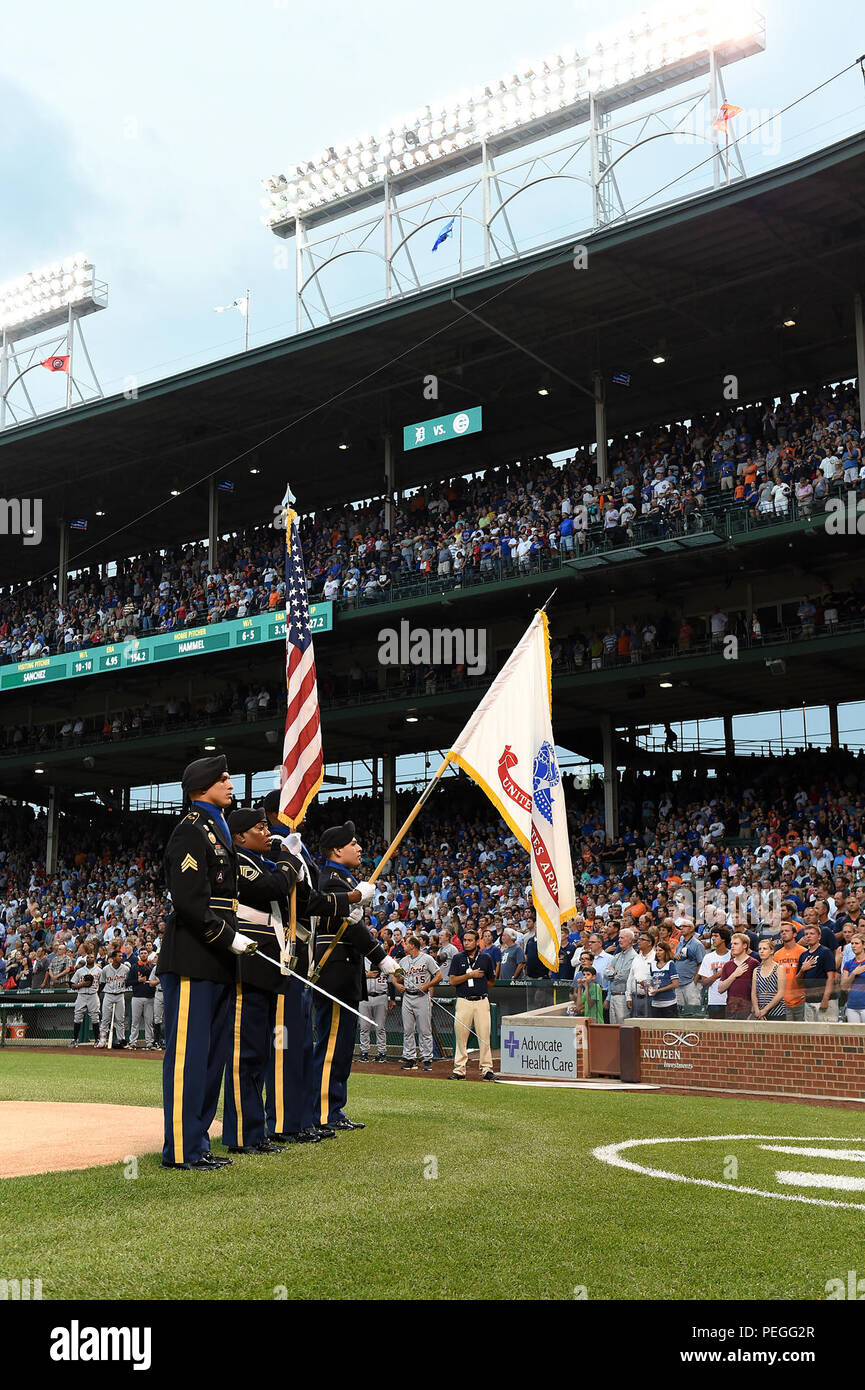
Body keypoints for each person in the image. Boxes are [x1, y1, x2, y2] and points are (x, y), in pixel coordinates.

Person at [228, 807, 371, 1150]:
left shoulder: (288, 855)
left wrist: (351, 898)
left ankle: (298, 1118)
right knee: (277, 1048)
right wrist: (289, 862)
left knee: (298, 1046)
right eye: (299, 807)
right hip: (269, 960)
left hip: (294, 960)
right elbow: (274, 889)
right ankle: (281, 1121)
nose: (305, 814)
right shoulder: (269, 856)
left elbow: (309, 902)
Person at [157, 754, 259, 1173]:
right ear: (202, 787)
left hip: (217, 957)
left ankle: (197, 1142)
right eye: (223, 778)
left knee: (212, 1056)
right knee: (189, 1055)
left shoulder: (217, 830)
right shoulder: (190, 831)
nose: (231, 783)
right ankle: (180, 1148)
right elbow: (188, 900)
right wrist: (226, 935)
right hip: (194, 955)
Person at [312, 821, 397, 1130]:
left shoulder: (343, 880)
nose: (360, 848)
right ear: (337, 850)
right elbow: (355, 930)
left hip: (346, 971)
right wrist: (382, 957)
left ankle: (333, 1109)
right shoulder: (331, 881)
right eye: (353, 844)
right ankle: (322, 1111)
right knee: (332, 1044)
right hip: (335, 971)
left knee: (342, 1045)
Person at [448, 926, 497, 1081]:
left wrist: (479, 983)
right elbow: (452, 981)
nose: (466, 943)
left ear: (477, 942)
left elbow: (491, 981)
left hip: (482, 1000)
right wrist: (470, 975)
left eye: (470, 940)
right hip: (463, 1001)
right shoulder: (457, 958)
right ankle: (459, 1069)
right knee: (461, 1036)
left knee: (484, 1036)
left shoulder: (486, 958)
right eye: (465, 940)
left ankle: (486, 1069)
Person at [394, 934, 442, 1072]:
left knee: (424, 1029)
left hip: (422, 996)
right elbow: (395, 978)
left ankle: (427, 1059)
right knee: (408, 1030)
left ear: (413, 945)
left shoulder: (427, 958)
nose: (404, 946)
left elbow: (439, 976)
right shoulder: (403, 961)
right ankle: (410, 1058)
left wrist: (427, 986)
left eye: (406, 943)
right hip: (407, 996)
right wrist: (397, 985)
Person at [796, 923, 839, 1022]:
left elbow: (831, 977)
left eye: (812, 933)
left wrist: (825, 999)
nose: (808, 936)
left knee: (826, 1033)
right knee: (810, 1033)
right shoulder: (803, 955)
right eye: (806, 934)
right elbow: (798, 981)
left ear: (819, 936)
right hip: (809, 1000)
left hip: (825, 1000)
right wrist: (802, 970)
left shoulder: (825, 952)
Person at [717, 932, 758, 1019]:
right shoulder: (727, 965)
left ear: (744, 946)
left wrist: (753, 1010)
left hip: (747, 1010)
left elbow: (758, 989)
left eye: (736, 944)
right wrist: (734, 975)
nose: (732, 946)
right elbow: (720, 989)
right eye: (731, 944)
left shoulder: (754, 963)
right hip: (730, 1009)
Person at [358, 954, 390, 1064]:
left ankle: (382, 1053)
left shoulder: (384, 962)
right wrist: (367, 975)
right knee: (364, 1027)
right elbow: (353, 976)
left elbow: (391, 980)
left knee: (380, 1027)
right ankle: (364, 1052)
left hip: (381, 996)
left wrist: (393, 998)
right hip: (364, 996)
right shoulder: (361, 960)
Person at [696, 925, 732, 1019]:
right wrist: (717, 974)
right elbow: (704, 983)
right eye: (712, 936)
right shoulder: (708, 957)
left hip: (731, 1000)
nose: (713, 938)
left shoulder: (732, 956)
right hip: (714, 1001)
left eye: (716, 936)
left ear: (723, 939)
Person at [97, 947, 130, 1047]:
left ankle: (121, 1040)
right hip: (108, 994)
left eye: (121, 956)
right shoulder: (106, 969)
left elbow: (128, 981)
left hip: (120, 995)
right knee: (105, 1019)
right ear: (114, 958)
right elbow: (102, 983)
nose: (121, 957)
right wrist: (98, 994)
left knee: (120, 1019)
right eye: (119, 956)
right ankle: (102, 1040)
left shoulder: (126, 969)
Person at [773, 921, 806, 1021]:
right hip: (783, 1001)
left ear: (795, 934)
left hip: (801, 1000)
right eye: (782, 931)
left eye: (787, 931)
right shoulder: (777, 955)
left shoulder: (803, 952)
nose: (784, 933)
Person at [127, 948, 157, 1049]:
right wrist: (138, 980)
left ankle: (149, 1042)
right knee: (135, 1021)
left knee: (149, 1021)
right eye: (142, 953)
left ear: (148, 954)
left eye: (145, 953)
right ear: (139, 955)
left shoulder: (152, 967)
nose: (143, 955)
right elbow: (128, 982)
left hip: (150, 996)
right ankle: (133, 1041)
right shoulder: (135, 966)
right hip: (137, 996)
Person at [605, 927, 636, 1024]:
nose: (619, 940)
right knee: (613, 1026)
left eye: (622, 938)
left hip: (623, 996)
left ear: (630, 940)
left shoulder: (634, 957)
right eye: (619, 938)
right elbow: (605, 972)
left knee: (622, 1025)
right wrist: (614, 973)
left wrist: (613, 973)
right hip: (613, 995)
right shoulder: (617, 955)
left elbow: (624, 976)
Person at [674, 918, 705, 1013]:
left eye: (684, 926)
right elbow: (675, 957)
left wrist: (695, 981)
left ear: (691, 929)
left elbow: (701, 964)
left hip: (690, 982)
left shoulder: (697, 944)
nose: (681, 928)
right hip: (679, 982)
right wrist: (674, 956)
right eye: (680, 927)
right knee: (679, 1010)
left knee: (693, 1010)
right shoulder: (681, 942)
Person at [70, 954, 101, 1046]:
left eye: (91, 957)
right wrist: (82, 984)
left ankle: (97, 1040)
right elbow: (72, 984)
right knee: (77, 1017)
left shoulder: (99, 971)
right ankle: (75, 1039)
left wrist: (97, 992)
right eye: (88, 957)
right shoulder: (80, 971)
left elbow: (103, 983)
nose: (89, 959)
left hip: (93, 995)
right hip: (81, 995)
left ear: (94, 959)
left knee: (95, 1017)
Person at [751, 938, 786, 1021]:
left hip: (777, 1012)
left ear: (771, 951)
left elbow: (781, 993)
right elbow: (753, 992)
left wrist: (765, 1010)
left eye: (764, 949)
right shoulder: (756, 970)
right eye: (759, 949)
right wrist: (757, 1010)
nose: (761, 951)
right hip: (759, 1011)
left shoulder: (779, 968)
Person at [626, 930, 656, 1018]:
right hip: (635, 997)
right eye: (638, 939)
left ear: (650, 943)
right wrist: (628, 996)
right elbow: (630, 977)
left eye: (642, 939)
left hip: (650, 997)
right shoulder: (636, 958)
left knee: (650, 1025)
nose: (638, 941)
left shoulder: (656, 957)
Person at [648, 941, 679, 1017]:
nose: (658, 953)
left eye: (660, 950)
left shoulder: (670, 964)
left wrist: (659, 990)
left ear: (666, 952)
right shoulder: (653, 964)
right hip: (655, 1003)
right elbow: (652, 981)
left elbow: (675, 984)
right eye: (657, 950)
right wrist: (649, 988)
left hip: (669, 1003)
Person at [841, 934, 865, 1023]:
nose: (853, 946)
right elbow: (843, 987)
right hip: (852, 1006)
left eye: (856, 943)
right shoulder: (848, 963)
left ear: (864, 945)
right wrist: (854, 974)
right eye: (852, 943)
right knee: (853, 1035)